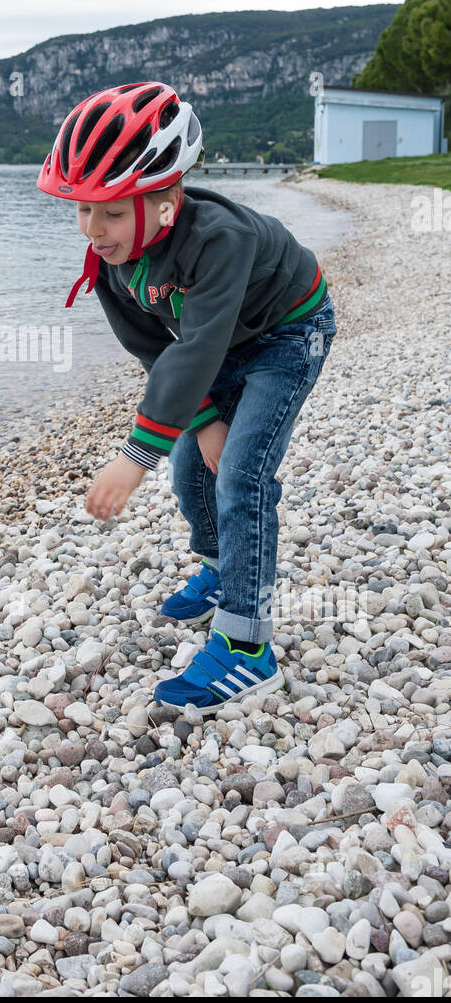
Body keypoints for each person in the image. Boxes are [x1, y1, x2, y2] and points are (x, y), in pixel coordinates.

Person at [37, 81, 337, 714]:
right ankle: (220, 566)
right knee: (191, 467)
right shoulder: (113, 262)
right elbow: (156, 349)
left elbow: (197, 350)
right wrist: (197, 423)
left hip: (287, 333)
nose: (94, 229)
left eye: (112, 212)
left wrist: (135, 454)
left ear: (167, 203)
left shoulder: (218, 239)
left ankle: (248, 648)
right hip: (221, 340)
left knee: (241, 475)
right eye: (84, 209)